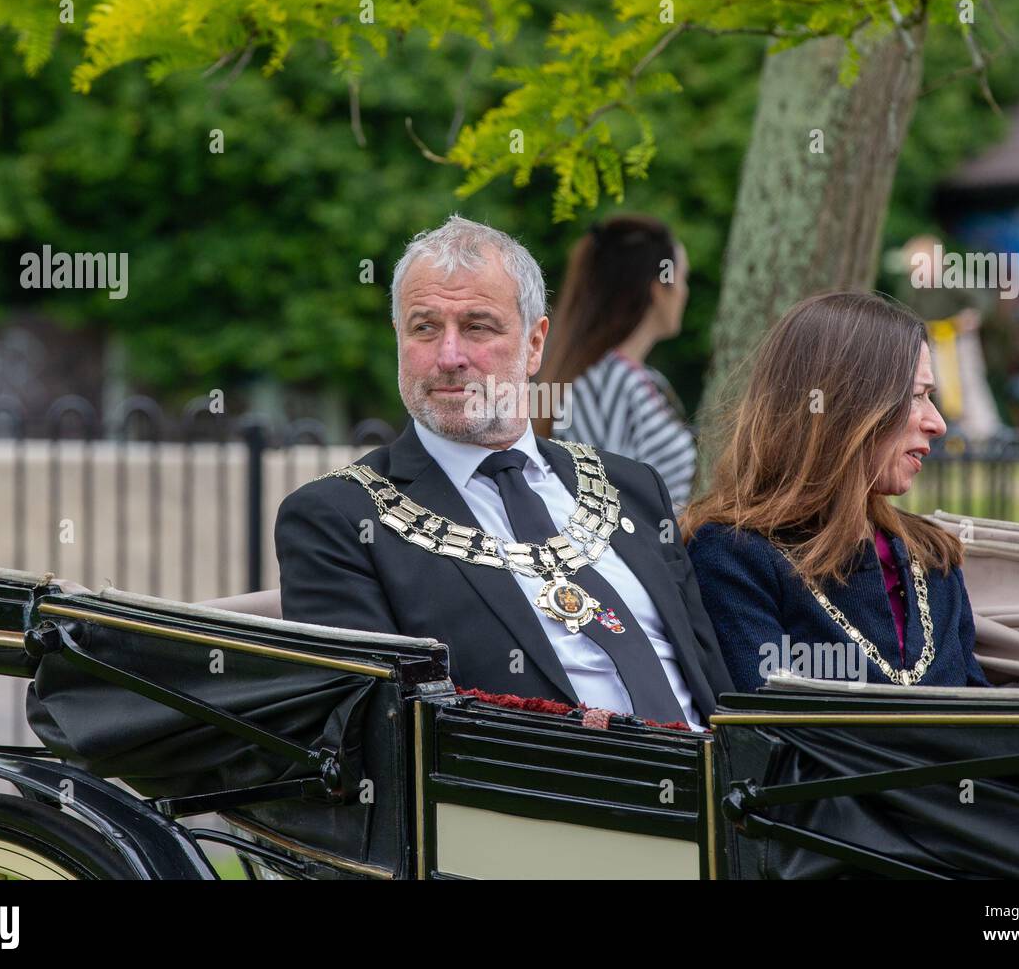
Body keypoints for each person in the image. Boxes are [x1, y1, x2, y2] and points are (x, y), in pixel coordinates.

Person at [275, 215, 732, 727]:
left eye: (477, 327)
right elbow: (373, 737)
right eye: (424, 327)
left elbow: (714, 677)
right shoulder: (340, 517)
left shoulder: (631, 486)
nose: (449, 357)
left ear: (535, 345)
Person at [683, 291, 991, 693]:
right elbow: (772, 735)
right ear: (849, 407)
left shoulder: (932, 557)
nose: (937, 423)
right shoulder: (735, 556)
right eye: (916, 396)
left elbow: (983, 720)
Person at [535, 215, 697, 505]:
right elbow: (602, 503)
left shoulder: (631, 378)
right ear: (660, 290)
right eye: (683, 278)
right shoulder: (608, 382)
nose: (685, 292)